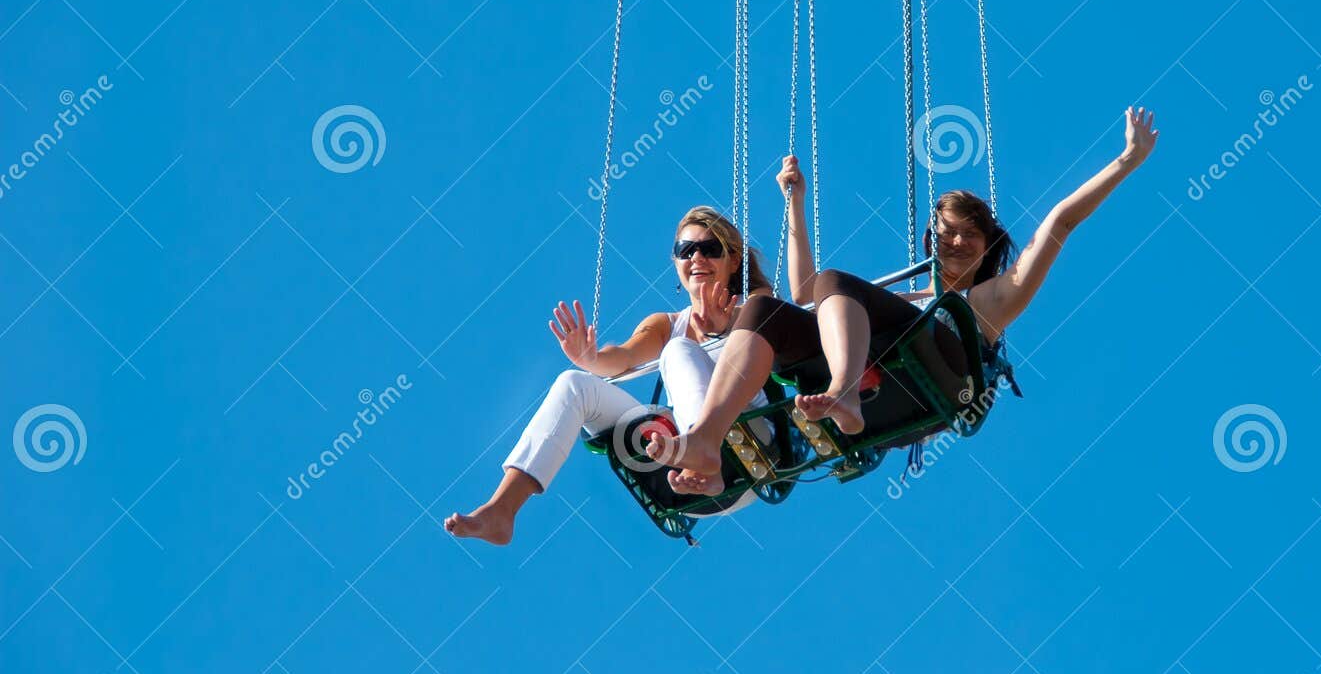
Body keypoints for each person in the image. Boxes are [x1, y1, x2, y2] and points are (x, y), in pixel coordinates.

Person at [649, 106, 1161, 495]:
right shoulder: (899, 298)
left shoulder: (993, 300)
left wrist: (1127, 160)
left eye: (969, 235)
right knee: (764, 310)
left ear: (988, 245)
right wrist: (795, 205)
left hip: (937, 380)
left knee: (837, 285)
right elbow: (806, 295)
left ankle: (845, 390)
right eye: (945, 234)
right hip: (876, 394)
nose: (956, 243)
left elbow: (1061, 222)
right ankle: (708, 443)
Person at [444, 206, 773, 545]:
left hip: (749, 445)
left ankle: (704, 454)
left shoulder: (756, 306)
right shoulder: (667, 324)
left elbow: (776, 326)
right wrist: (591, 358)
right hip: (681, 478)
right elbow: (625, 357)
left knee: (678, 351)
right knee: (574, 384)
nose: (697, 258)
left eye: (710, 249)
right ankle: (502, 510)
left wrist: (725, 327)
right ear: (676, 262)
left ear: (734, 260)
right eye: (686, 250)